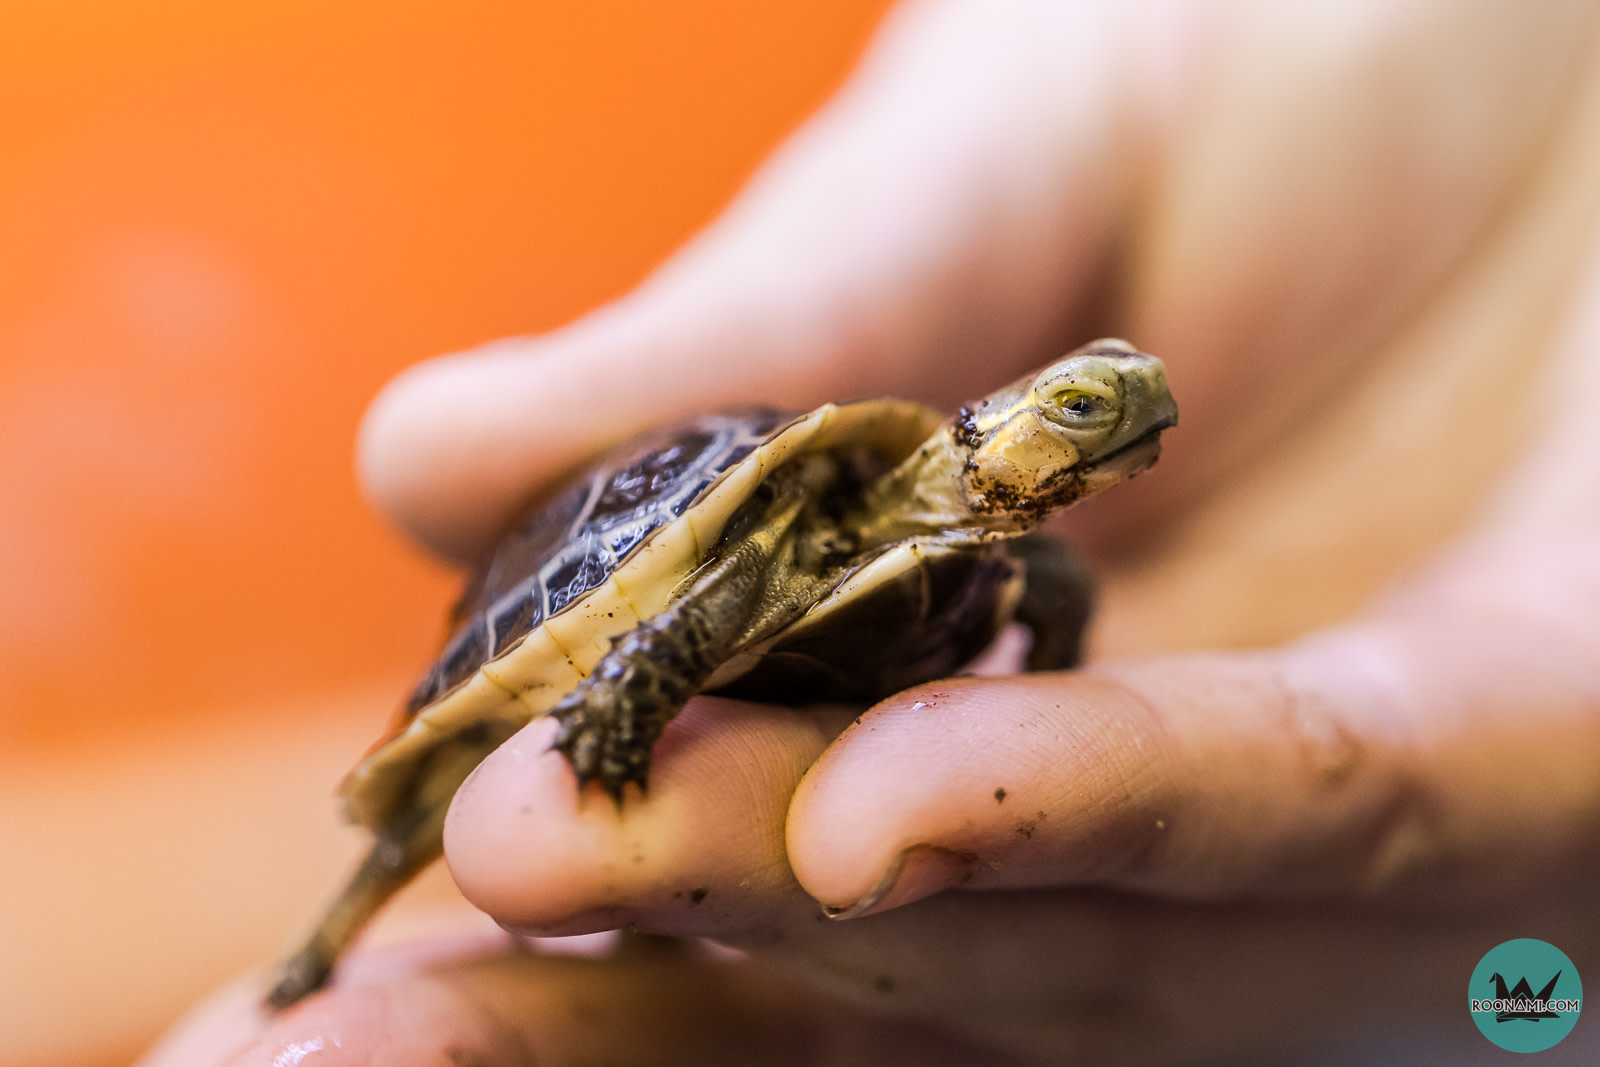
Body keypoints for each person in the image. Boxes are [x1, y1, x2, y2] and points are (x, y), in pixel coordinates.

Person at [144, 2, 1600, 1063]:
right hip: (545, 629)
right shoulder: (807, 510)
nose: (1124, 418)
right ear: (994, 428)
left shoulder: (1010, 552)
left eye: (1128, 416)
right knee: (440, 812)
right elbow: (703, 605)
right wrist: (627, 707)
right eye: (1088, 406)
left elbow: (1058, 590)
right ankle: (326, 936)